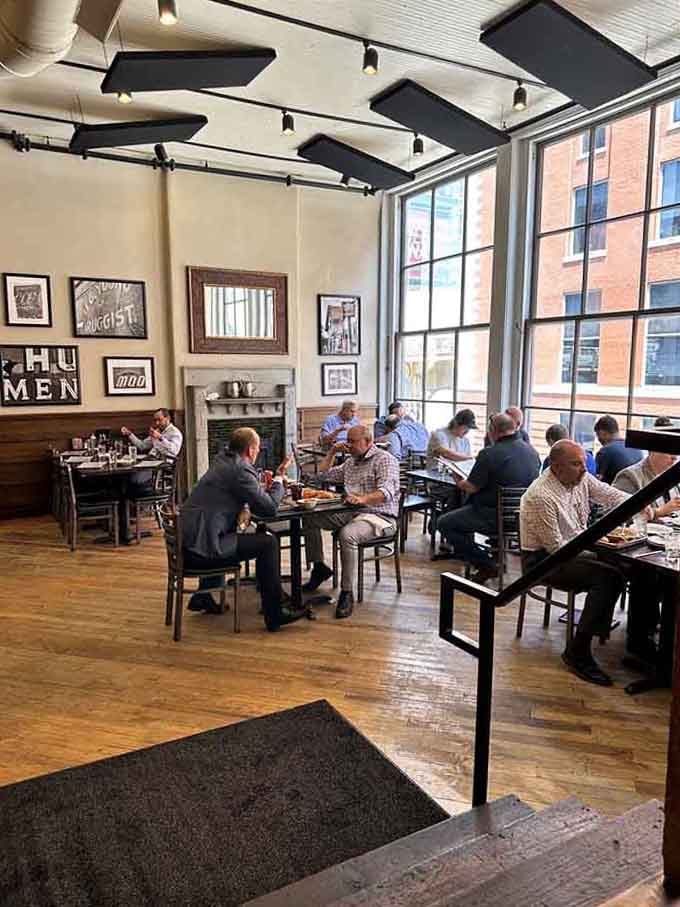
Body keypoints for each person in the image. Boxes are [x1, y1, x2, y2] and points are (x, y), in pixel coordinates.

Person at [520, 440, 631, 686]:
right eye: (576, 463)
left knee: (624, 566)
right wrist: (601, 552)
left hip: (575, 545)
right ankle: (577, 651)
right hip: (542, 560)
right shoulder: (541, 495)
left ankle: (620, 635)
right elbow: (557, 550)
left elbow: (610, 494)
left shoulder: (580, 477)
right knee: (608, 577)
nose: (584, 468)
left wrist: (643, 504)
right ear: (556, 468)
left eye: (583, 462)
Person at [180, 428, 306, 632]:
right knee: (267, 543)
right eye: (257, 448)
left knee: (247, 534)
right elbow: (269, 509)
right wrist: (279, 480)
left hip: (189, 541)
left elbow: (236, 493)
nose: (258, 452)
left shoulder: (222, 460)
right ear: (250, 450)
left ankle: (203, 595)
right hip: (202, 548)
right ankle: (275, 614)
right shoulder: (240, 469)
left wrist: (250, 500)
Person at [302, 425, 400, 619]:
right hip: (351, 513)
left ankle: (347, 593)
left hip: (379, 516)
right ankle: (319, 567)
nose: (349, 445)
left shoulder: (385, 460)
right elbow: (322, 475)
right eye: (347, 441)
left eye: (353, 442)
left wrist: (362, 499)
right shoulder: (351, 462)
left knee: (347, 534)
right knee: (308, 516)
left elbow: (386, 493)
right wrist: (332, 451)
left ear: (368, 442)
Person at [437, 413, 540, 583]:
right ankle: (493, 561)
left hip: (491, 516)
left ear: (493, 431)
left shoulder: (489, 454)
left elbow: (471, 487)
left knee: (445, 523)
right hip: (521, 519)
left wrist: (457, 477)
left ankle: (487, 564)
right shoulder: (532, 452)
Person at [613, 449, 680, 665]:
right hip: (630, 550)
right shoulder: (631, 476)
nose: (674, 458)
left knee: (671, 579)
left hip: (662, 545)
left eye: (677, 454)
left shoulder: (673, 475)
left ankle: (668, 644)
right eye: (669, 452)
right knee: (652, 577)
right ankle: (640, 644)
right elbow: (619, 515)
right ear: (651, 451)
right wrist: (660, 512)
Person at [594, 415, 643, 484]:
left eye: (598, 435)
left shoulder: (605, 451)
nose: (598, 439)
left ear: (602, 433)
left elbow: (596, 481)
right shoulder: (635, 448)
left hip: (615, 492)